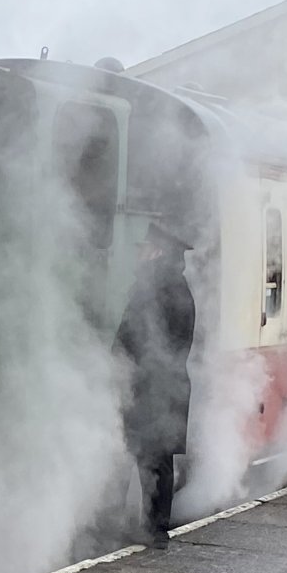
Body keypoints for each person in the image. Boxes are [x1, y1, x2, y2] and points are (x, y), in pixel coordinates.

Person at [115, 223, 197, 548]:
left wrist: (122, 367)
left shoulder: (159, 291)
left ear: (159, 252)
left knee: (153, 457)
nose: (140, 253)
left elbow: (134, 339)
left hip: (155, 387)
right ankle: (149, 525)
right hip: (160, 385)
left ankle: (154, 529)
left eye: (145, 247)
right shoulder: (170, 288)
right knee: (151, 456)